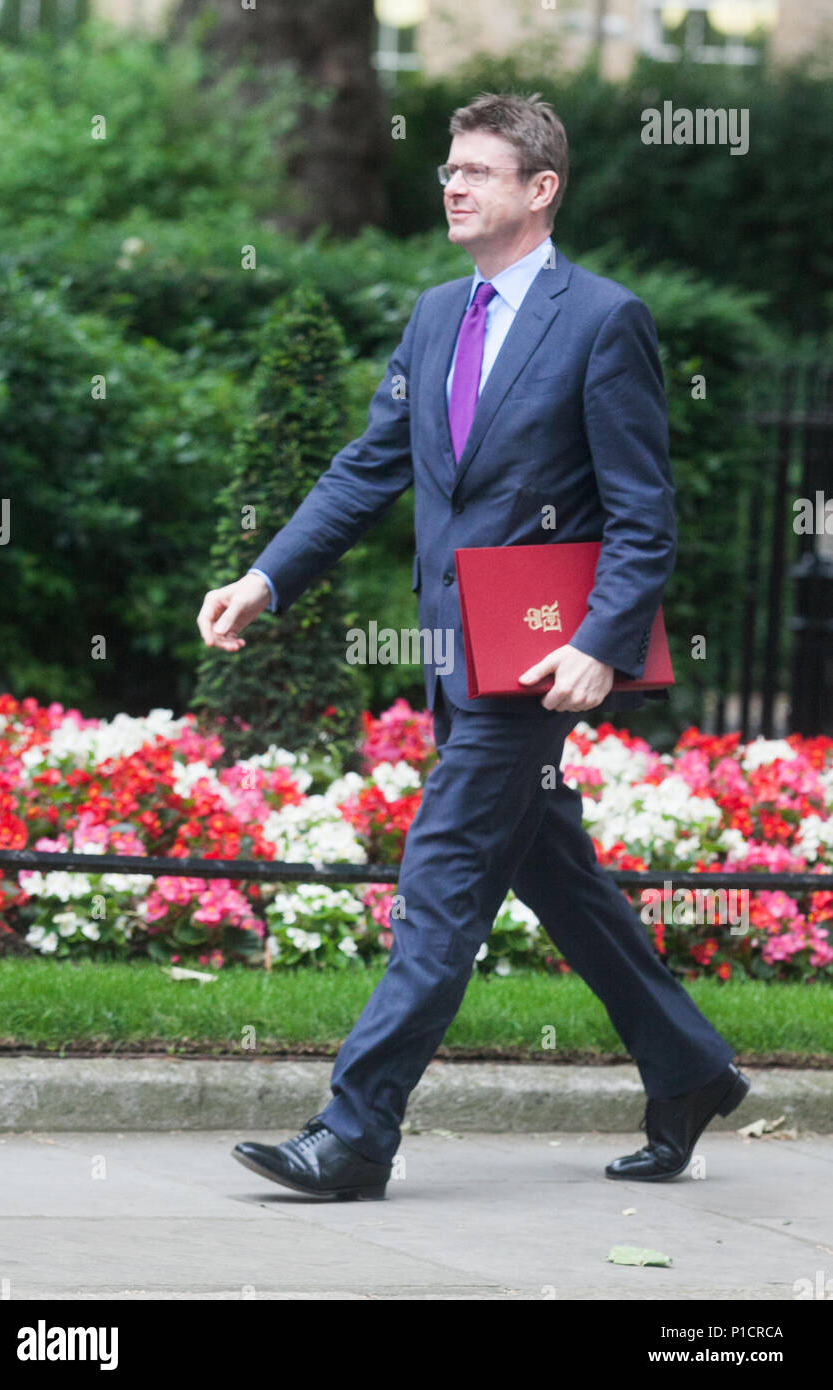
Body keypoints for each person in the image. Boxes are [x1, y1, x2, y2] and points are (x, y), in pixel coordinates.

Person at [197, 92, 749, 1200]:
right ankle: (688, 1068)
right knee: (558, 876)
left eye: (478, 172)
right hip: (459, 654)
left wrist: (599, 642)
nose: (450, 185)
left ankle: (354, 1133)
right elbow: (369, 465)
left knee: (440, 880)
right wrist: (265, 577)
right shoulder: (435, 314)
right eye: (448, 169)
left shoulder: (603, 320)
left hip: (535, 668)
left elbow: (643, 516)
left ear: (539, 191)